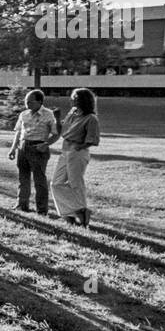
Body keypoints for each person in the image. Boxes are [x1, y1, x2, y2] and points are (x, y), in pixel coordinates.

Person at [52, 87, 101, 226]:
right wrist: (57, 118)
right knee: (56, 183)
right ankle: (75, 211)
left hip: (77, 152)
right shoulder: (72, 113)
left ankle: (77, 214)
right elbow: (62, 131)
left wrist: (78, 147)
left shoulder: (91, 118)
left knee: (75, 184)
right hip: (65, 151)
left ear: (84, 100)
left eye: (76, 98)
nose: (72, 100)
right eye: (73, 97)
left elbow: (93, 139)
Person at [7, 90, 61, 215]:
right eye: (26, 101)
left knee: (39, 180)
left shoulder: (49, 115)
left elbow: (56, 134)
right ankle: (22, 205)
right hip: (23, 146)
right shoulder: (23, 114)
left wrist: (46, 144)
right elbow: (18, 132)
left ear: (40, 101)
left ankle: (41, 209)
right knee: (23, 178)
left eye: (30, 101)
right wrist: (13, 148)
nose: (27, 103)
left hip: (39, 148)